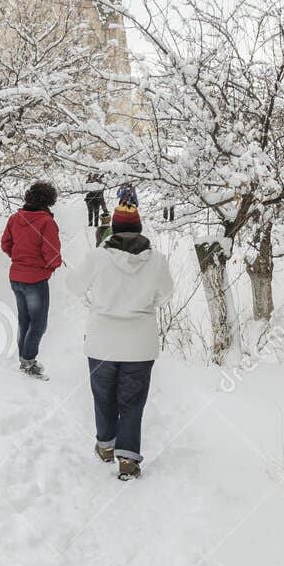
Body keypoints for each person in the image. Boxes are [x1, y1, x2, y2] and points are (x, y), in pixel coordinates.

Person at [67, 199, 174, 480]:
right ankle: (127, 459)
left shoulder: (97, 257)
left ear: (113, 229)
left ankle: (105, 446)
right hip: (139, 345)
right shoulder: (157, 260)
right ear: (139, 229)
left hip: (102, 341)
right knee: (132, 402)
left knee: (103, 397)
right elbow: (165, 296)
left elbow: (74, 286)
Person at [0, 181, 62, 377]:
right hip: (35, 280)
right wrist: (52, 265)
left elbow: (5, 244)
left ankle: (24, 360)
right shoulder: (47, 222)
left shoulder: (14, 218)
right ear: (49, 200)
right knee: (38, 323)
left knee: (25, 320)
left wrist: (20, 259)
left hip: (16, 277)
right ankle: (28, 363)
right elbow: (52, 255)